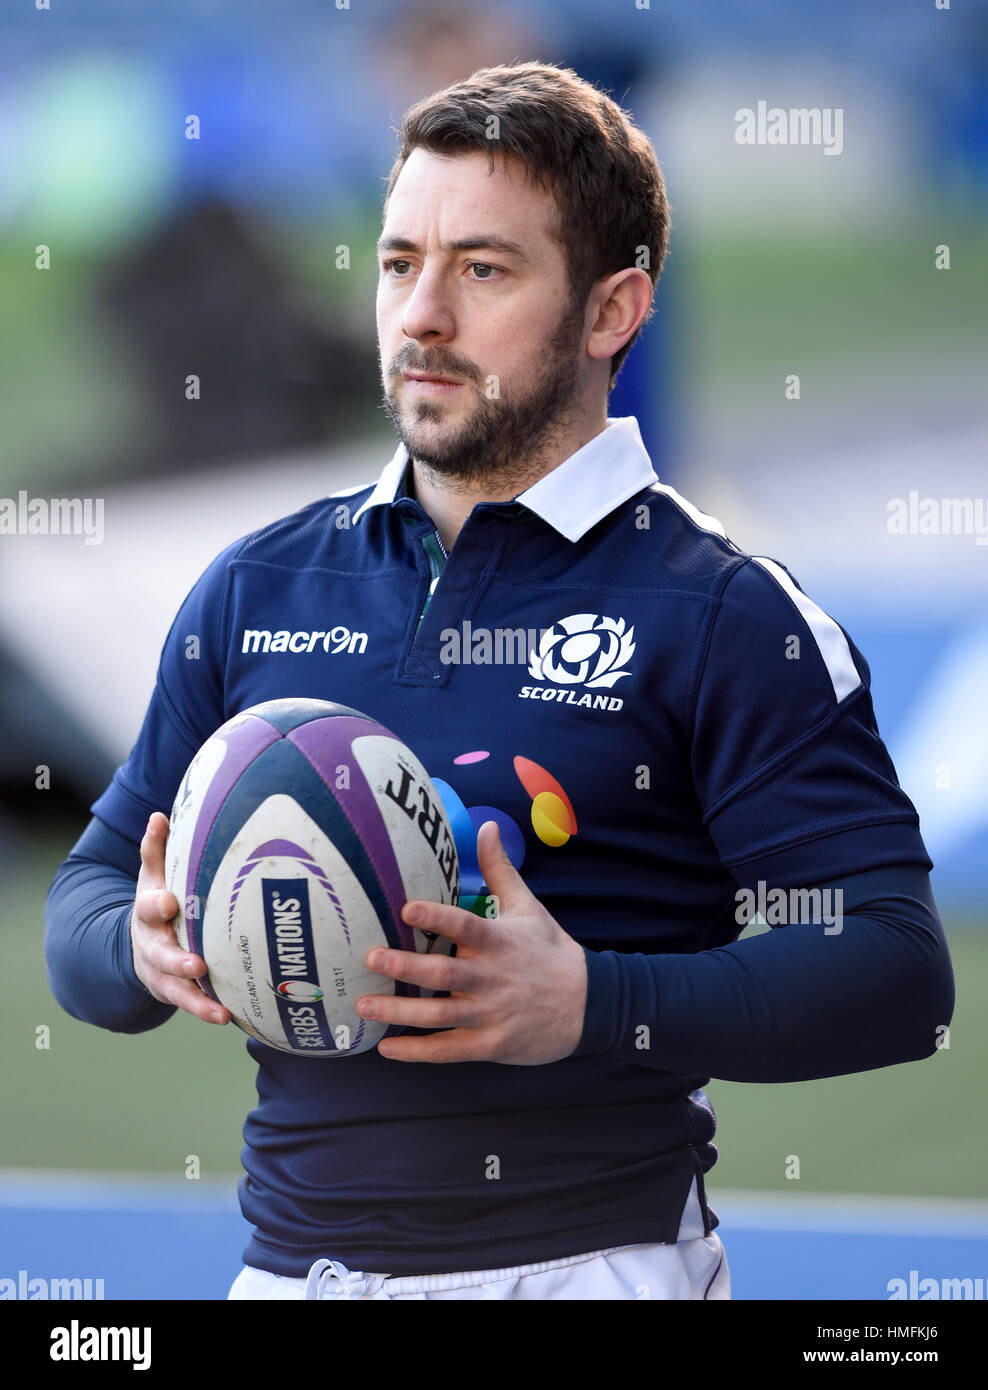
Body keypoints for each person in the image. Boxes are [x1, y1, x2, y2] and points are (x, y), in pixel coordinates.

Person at [45, 61, 954, 1302]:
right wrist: (136, 947)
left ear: (612, 310)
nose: (420, 315)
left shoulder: (726, 612)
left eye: (482, 269)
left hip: (587, 1271)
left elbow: (892, 969)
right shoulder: (260, 584)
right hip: (291, 1276)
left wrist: (591, 999)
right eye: (396, 262)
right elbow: (89, 897)